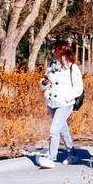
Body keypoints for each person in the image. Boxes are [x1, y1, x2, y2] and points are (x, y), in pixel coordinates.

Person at [38, 40, 84, 168]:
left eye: (55, 49)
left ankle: (51, 158)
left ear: (62, 51)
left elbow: (79, 88)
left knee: (54, 131)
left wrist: (67, 97)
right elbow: (43, 82)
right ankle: (72, 154)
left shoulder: (72, 68)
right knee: (62, 130)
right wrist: (44, 83)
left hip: (65, 103)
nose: (53, 51)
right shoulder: (51, 65)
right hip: (52, 102)